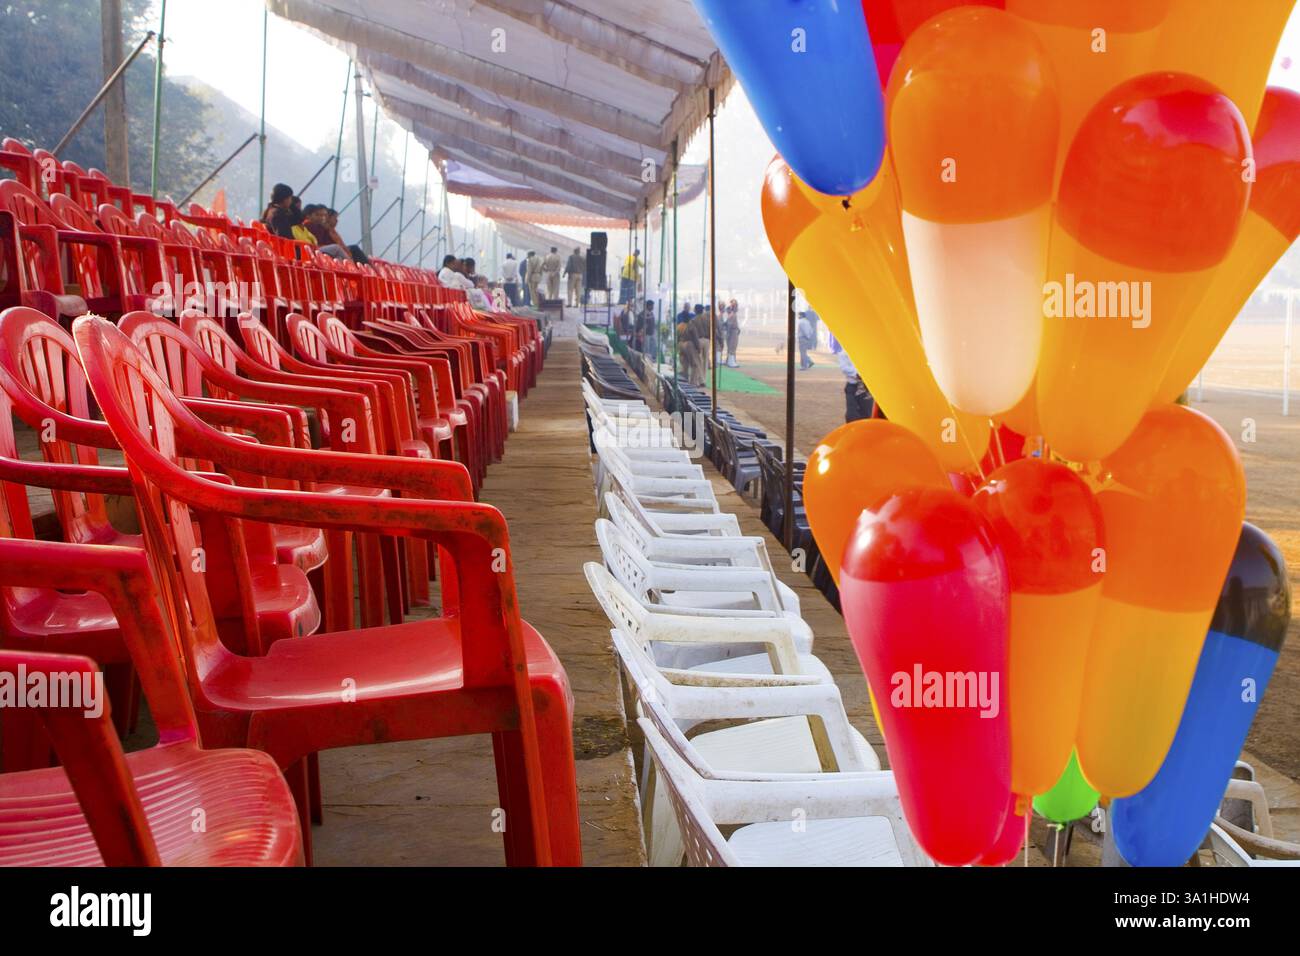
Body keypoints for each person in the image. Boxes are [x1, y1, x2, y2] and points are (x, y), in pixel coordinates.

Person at [832, 335, 873, 421]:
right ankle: (853, 428)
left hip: (867, 387)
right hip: (853, 386)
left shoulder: (866, 351)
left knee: (867, 412)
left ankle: (865, 431)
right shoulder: (844, 352)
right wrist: (858, 374)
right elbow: (844, 368)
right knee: (852, 414)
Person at [723, 299, 741, 367]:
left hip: (733, 331)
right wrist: (728, 334)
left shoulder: (731, 315)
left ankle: (730, 361)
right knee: (732, 347)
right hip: (733, 332)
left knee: (731, 347)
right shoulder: (732, 315)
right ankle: (731, 362)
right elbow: (730, 325)